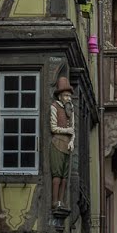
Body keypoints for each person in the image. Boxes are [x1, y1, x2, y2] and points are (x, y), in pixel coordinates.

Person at [49, 74, 76, 210]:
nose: (68, 98)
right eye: (66, 95)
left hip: (67, 145)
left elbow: (73, 128)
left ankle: (61, 200)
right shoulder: (55, 107)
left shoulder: (70, 109)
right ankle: (55, 201)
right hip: (57, 143)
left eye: (69, 96)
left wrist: (72, 141)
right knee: (57, 173)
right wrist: (67, 131)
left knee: (65, 175)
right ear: (60, 96)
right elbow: (53, 128)